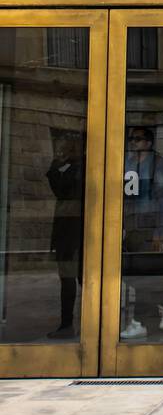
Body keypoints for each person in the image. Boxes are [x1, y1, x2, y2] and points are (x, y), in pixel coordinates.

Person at [121, 125, 163, 339]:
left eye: (137, 139)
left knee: (141, 270)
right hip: (130, 221)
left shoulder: (157, 164)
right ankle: (162, 301)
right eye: (131, 139)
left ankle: (146, 316)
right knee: (130, 270)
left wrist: (159, 231)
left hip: (147, 220)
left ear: (148, 143)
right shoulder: (128, 162)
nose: (133, 143)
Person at [46, 131, 85, 338]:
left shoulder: (77, 169)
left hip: (73, 232)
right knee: (73, 278)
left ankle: (69, 324)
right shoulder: (74, 168)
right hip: (71, 232)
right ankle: (72, 324)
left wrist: (55, 166)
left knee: (72, 278)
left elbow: (61, 190)